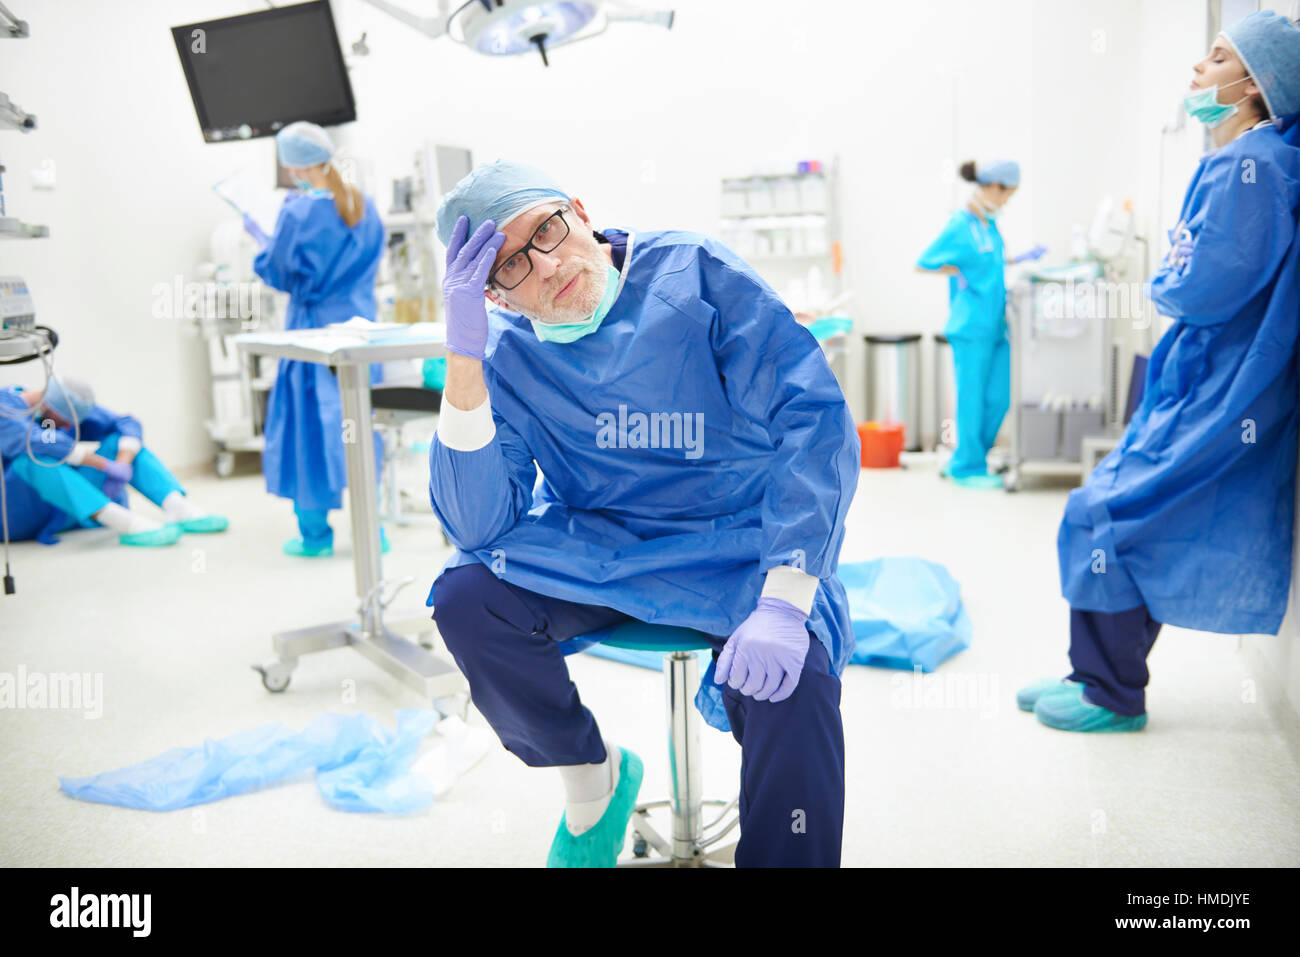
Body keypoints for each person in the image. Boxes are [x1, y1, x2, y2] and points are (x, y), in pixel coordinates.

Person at [425, 160, 859, 867]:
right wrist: (463, 356)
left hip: (742, 544)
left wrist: (785, 598)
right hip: (604, 546)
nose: (546, 265)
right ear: (493, 298)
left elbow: (810, 417)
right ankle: (591, 776)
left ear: (580, 210)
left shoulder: (693, 274)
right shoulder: (504, 354)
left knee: (796, 682)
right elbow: (478, 525)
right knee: (466, 596)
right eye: (509, 268)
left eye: (547, 230)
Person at [1020, 11, 1300, 733]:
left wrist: (1159, 284)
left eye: (1215, 59)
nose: (1197, 72)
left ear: (1255, 84)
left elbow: (1206, 283)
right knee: (1112, 514)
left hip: (1221, 389)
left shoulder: (1256, 165)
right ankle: (1093, 672)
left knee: (1105, 514)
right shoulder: (1240, 159)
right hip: (1197, 379)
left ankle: (1111, 691)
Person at [245, 121, 387, 558]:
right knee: (361, 426)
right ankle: (372, 529)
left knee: (309, 428)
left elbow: (278, 272)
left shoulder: (296, 212)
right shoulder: (366, 205)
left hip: (312, 334)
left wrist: (262, 245)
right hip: (361, 331)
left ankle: (315, 536)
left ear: (294, 168)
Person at [916, 160, 1045, 488]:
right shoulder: (960, 224)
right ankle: (965, 466)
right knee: (971, 398)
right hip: (971, 324)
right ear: (993, 187)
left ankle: (978, 456)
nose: (1006, 202)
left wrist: (1019, 259)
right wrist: (960, 272)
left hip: (995, 323)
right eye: (1007, 195)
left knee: (1000, 395)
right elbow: (924, 263)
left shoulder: (987, 225)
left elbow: (990, 260)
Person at [0, 376, 227, 547]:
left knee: (120, 441)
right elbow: (39, 442)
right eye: (65, 421)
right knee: (31, 459)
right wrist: (105, 466)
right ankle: (126, 524)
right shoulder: (6, 407)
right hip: (17, 514)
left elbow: (125, 423)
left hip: (65, 503)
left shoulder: (61, 406)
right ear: (45, 407)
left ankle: (177, 506)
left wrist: (123, 463)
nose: (70, 427)